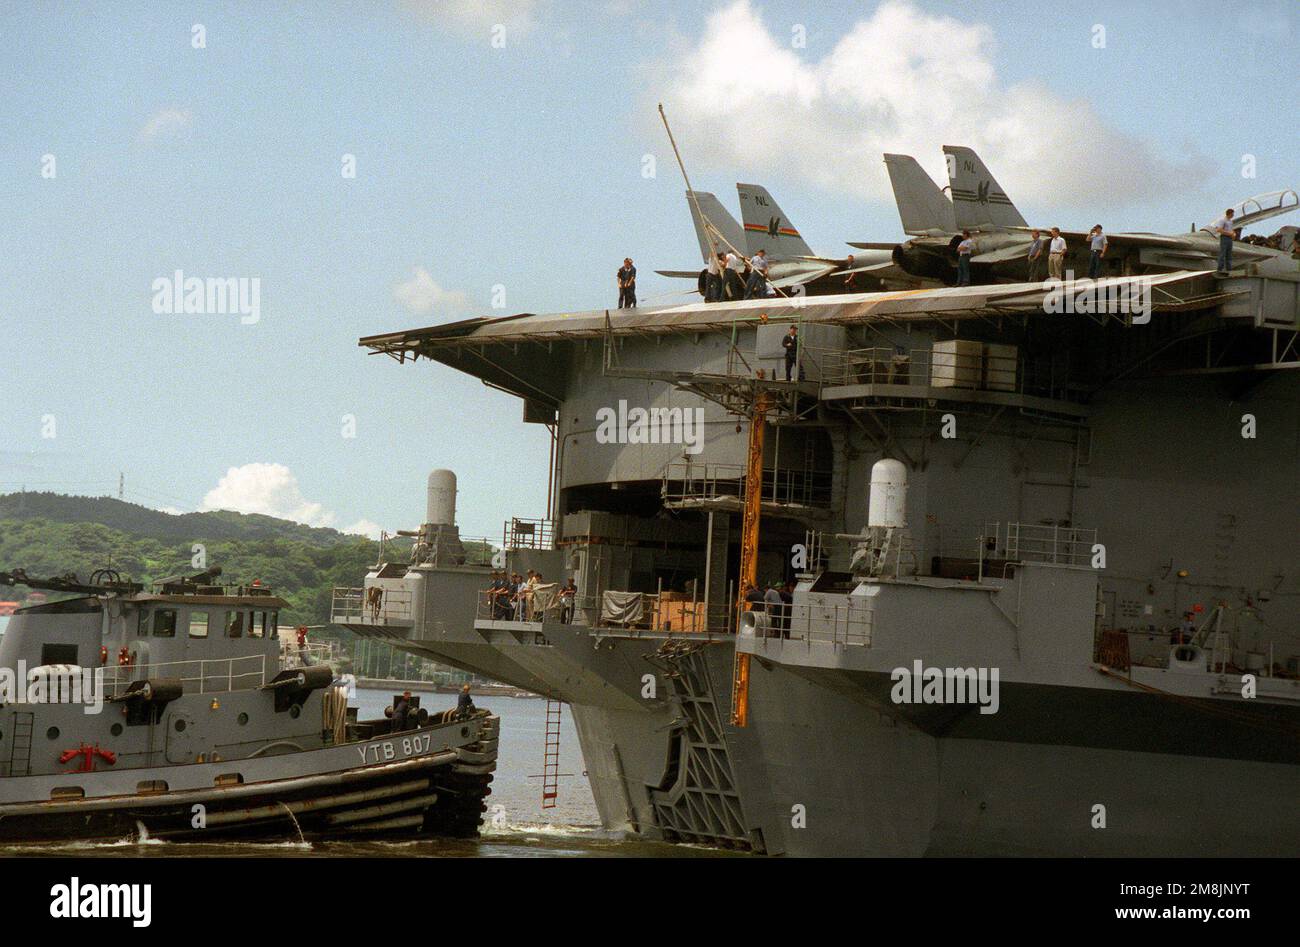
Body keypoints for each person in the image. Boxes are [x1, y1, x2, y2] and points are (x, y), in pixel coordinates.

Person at [1211, 208, 1236, 274]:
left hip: (1230, 238)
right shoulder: (1222, 220)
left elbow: (1231, 229)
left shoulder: (1230, 221)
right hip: (1224, 238)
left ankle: (1229, 269)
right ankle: (1220, 268)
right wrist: (1229, 233)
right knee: (1223, 253)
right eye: (1232, 214)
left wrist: (1233, 234)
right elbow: (1219, 230)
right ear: (1229, 213)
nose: (1233, 215)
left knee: (1229, 254)